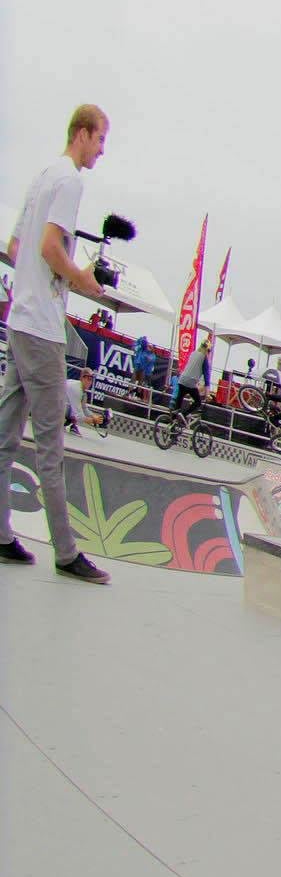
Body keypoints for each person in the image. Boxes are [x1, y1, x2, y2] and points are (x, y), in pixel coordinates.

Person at [0, 104, 116, 583]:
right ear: (83, 133)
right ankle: (66, 552)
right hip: (43, 329)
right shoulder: (69, 181)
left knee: (5, 436)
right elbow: (50, 248)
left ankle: (2, 534)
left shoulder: (40, 177)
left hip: (19, 320)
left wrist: (48, 278)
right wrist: (83, 282)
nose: (103, 150)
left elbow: (14, 249)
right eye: (101, 139)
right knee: (51, 444)